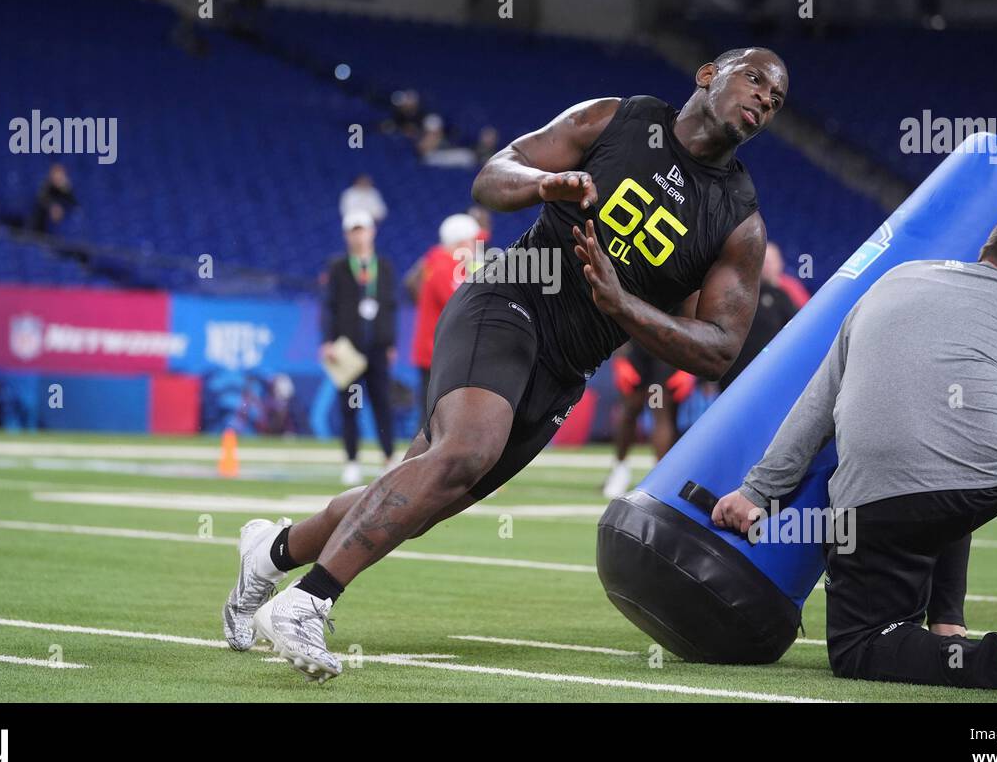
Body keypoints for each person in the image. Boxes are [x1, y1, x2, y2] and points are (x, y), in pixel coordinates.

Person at [223, 47, 788, 681]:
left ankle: (269, 553)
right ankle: (307, 602)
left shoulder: (739, 220)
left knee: (426, 494)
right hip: (511, 297)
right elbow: (495, 172)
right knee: (465, 452)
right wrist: (541, 185)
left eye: (777, 98)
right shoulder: (620, 119)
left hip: (566, 368)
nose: (766, 97)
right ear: (708, 74)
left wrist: (622, 305)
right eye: (755, 78)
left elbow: (719, 348)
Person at [713, 213, 997, 698]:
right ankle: (948, 622)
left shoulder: (895, 278)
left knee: (859, 645)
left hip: (879, 497)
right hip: (993, 478)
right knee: (959, 461)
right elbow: (994, 422)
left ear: (986, 255)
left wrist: (757, 492)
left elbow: (819, 401)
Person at [318, 212, 398, 487]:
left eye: (362, 229)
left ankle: (389, 459)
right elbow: (329, 306)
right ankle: (352, 461)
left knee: (382, 405)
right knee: (349, 407)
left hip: (377, 346)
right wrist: (327, 340)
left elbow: (390, 307)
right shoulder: (338, 267)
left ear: (372, 232)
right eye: (353, 230)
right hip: (347, 347)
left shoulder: (384, 267)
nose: (358, 235)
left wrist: (390, 342)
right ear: (346, 235)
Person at [602, 336, 695, 499]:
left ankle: (658, 477)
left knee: (656, 412)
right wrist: (620, 357)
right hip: (645, 345)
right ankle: (622, 470)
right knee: (633, 410)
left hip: (661, 348)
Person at [410, 213, 480, 413]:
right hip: (438, 351)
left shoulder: (439, 263)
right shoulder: (445, 267)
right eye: (473, 240)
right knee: (434, 414)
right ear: (460, 242)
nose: (476, 246)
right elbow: (461, 306)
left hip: (439, 350)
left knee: (436, 412)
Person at [29, 163, 77, 232]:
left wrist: (66, 190)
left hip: (62, 227)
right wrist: (52, 207)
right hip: (43, 227)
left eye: (60, 175)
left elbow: (73, 205)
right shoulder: (45, 188)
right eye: (56, 174)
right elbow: (42, 200)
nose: (58, 178)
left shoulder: (67, 191)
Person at [764, 242, 810, 308]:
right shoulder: (752, 289)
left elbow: (807, 310)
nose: (767, 266)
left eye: (769, 262)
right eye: (764, 262)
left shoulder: (792, 286)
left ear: (780, 263)